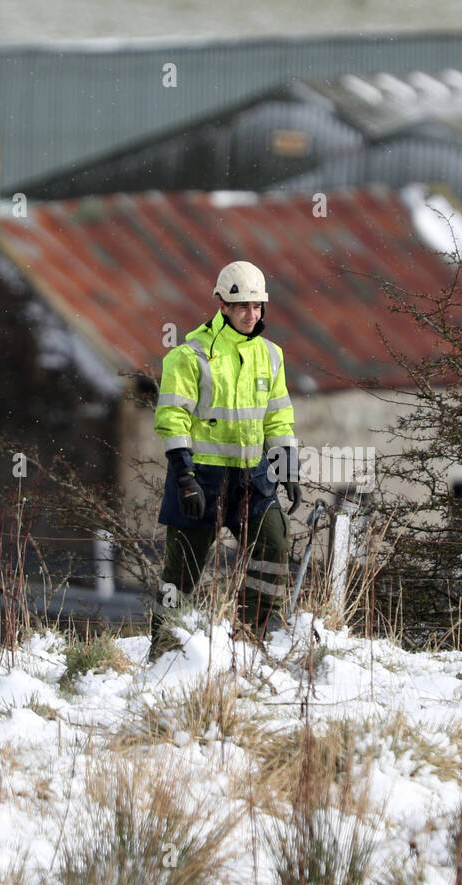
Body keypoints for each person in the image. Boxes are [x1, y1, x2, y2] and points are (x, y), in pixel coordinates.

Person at [149, 260, 301, 656]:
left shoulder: (271, 355)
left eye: (258, 307)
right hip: (201, 478)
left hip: (252, 479)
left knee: (274, 545)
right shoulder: (188, 356)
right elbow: (172, 417)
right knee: (181, 575)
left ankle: (255, 639)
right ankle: (164, 648)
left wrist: (286, 467)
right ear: (223, 306)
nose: (252, 315)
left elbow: (278, 415)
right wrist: (184, 476)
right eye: (243, 307)